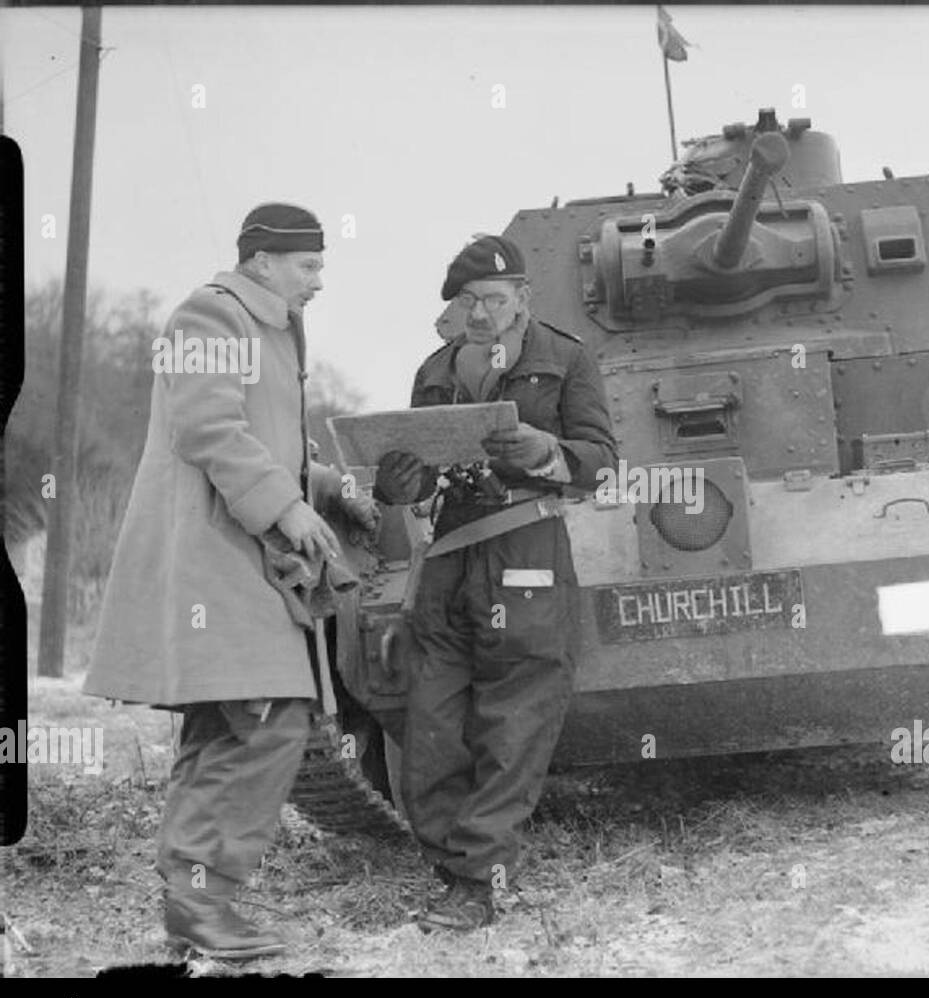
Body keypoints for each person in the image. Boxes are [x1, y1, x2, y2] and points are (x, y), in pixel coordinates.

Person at [83, 203, 376, 959]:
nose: (318, 281)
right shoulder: (208, 318)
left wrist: (332, 487)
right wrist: (289, 509)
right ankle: (203, 902)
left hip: (238, 549)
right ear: (261, 260)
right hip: (214, 555)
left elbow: (264, 441)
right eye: (308, 265)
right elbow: (208, 431)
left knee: (226, 725)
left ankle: (194, 904)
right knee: (272, 716)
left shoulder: (265, 325)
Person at [375, 234, 616, 929]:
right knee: (433, 721)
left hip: (525, 549)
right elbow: (414, 470)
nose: (479, 313)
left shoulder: (565, 360)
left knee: (514, 722)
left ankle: (478, 882)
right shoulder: (435, 369)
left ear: (523, 299)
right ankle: (452, 866)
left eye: (492, 299)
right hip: (449, 556)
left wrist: (548, 452)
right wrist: (400, 483)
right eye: (467, 301)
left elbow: (601, 462)